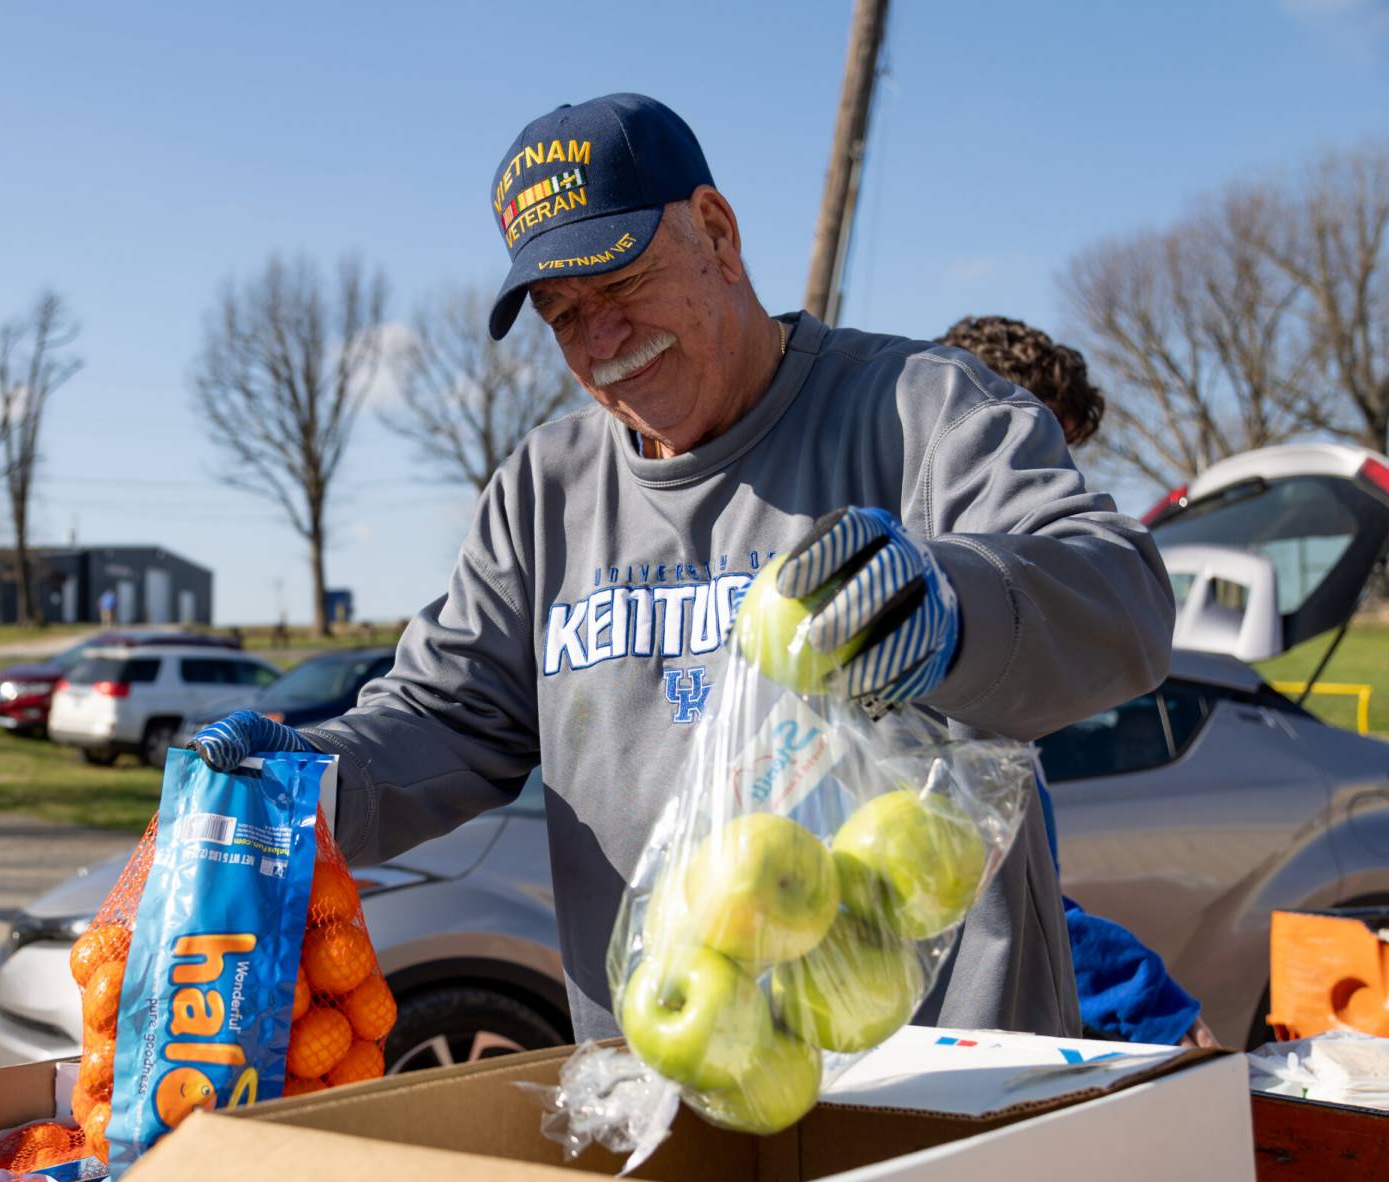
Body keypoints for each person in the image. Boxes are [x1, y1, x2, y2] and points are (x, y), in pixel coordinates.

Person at [196, 94, 1174, 1042]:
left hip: (947, 1085)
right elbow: (443, 719)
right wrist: (298, 785)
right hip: (677, 1075)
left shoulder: (920, 410)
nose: (601, 341)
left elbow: (1122, 597)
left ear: (716, 231)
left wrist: (951, 606)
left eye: (620, 284)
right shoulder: (543, 492)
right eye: (562, 314)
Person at [936, 315, 1218, 1049]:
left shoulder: (990, 637)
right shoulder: (933, 639)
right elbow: (979, 897)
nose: (1057, 497)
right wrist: (1150, 1005)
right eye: (1039, 461)